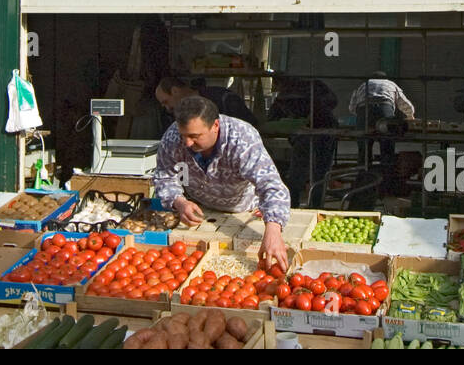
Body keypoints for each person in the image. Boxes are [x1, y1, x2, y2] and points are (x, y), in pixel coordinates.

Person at [153, 95, 291, 269]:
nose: (187, 142)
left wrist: (273, 229)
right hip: (200, 213)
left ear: (215, 126)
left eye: (195, 136)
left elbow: (271, 186)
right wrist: (179, 202)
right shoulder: (173, 137)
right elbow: (164, 176)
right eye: (184, 135)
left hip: (242, 210)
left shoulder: (242, 138)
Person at [268, 74, 339, 208]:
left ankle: (293, 205)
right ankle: (316, 205)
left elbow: (271, 120)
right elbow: (334, 101)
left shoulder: (283, 98)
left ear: (279, 84)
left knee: (298, 173)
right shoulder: (316, 84)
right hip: (327, 129)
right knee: (321, 172)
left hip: (308, 133)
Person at [348, 71, 416, 192]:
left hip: (364, 112)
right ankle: (386, 184)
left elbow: (352, 108)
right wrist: (410, 118)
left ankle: (363, 186)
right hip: (384, 110)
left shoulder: (363, 85)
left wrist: (363, 118)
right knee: (387, 148)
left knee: (364, 150)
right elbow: (405, 104)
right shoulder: (391, 84)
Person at [155, 75, 257, 125]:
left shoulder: (223, 99)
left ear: (175, 91)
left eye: (166, 102)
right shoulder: (173, 118)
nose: (168, 108)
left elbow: (250, 126)